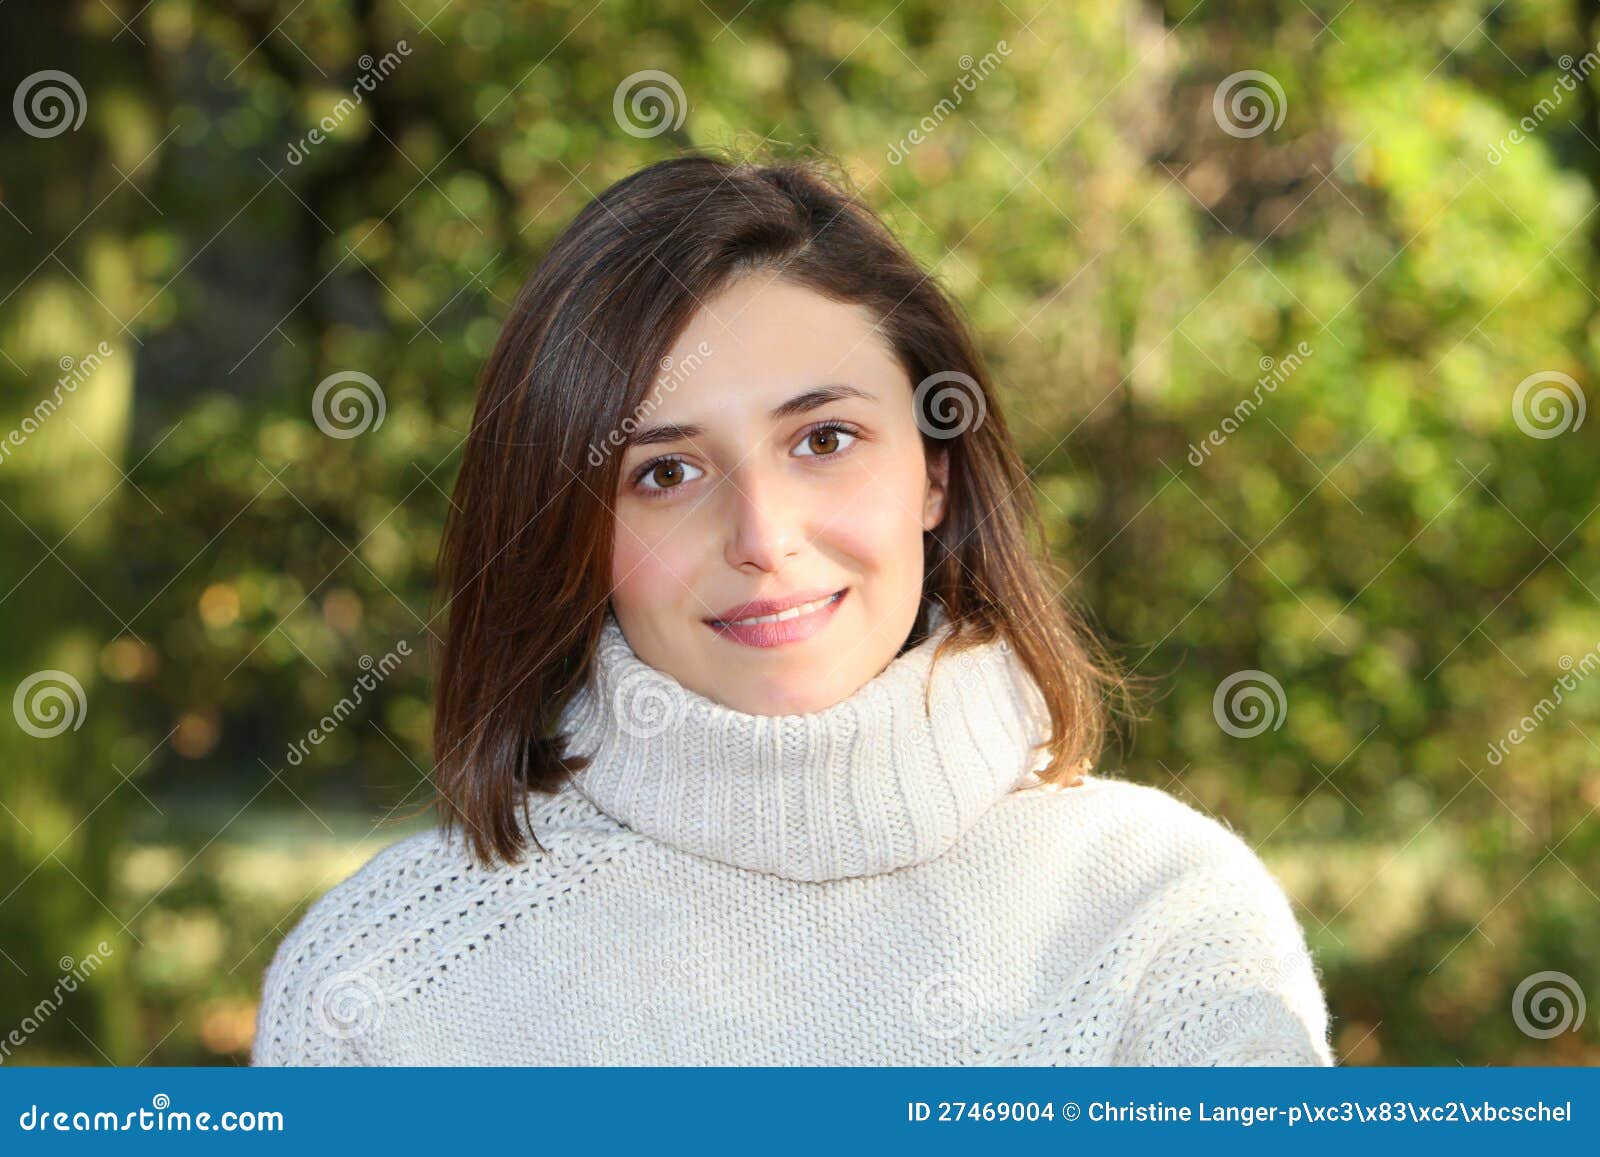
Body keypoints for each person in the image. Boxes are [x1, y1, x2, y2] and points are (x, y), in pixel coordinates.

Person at [250, 152, 1335, 1066]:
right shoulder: (379, 984)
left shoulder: (1169, 923)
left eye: (824, 439)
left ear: (936, 472)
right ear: (572, 529)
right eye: (666, 472)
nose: (762, 536)